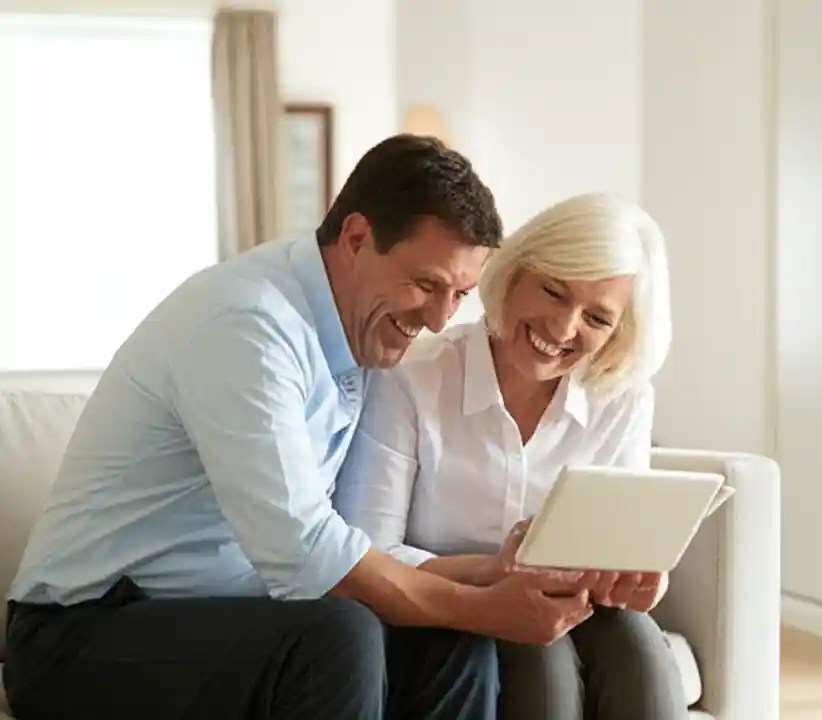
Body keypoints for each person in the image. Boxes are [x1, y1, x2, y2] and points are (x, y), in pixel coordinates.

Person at [3, 135, 597, 720]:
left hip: (226, 618)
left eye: (459, 295)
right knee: (339, 636)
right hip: (82, 636)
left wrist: (490, 572)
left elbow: (353, 547)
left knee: (451, 644)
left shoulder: (358, 335)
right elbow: (308, 554)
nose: (441, 320)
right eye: (426, 285)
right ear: (357, 238)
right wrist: (480, 606)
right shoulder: (248, 325)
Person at [334, 193, 686, 719]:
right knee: (540, 659)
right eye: (553, 291)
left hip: (572, 611)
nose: (563, 329)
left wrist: (634, 577)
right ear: (516, 272)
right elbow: (371, 553)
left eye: (596, 317)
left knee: (637, 645)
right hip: (444, 610)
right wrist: (495, 573)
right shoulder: (414, 375)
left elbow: (619, 541)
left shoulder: (622, 397)